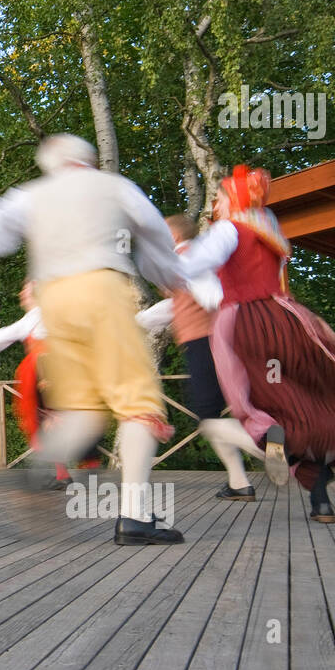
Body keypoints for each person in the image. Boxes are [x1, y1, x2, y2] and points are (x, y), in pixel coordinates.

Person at [0, 134, 187, 545]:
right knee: (138, 404)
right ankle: (135, 516)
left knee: (81, 407)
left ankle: (46, 461)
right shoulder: (113, 186)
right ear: (88, 160)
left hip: (54, 299)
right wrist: (173, 280)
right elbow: (153, 236)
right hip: (103, 288)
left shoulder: (34, 194)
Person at [178, 165, 335, 524]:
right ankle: (323, 491)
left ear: (233, 200)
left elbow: (196, 266)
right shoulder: (270, 231)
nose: (217, 204)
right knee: (311, 401)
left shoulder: (229, 230)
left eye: (222, 196)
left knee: (250, 399)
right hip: (291, 320)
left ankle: (269, 438)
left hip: (246, 321)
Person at [134, 214, 264, 500]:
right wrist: (139, 320)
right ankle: (239, 482)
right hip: (211, 341)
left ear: (176, 236)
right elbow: (176, 306)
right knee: (212, 417)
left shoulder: (188, 260)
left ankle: (267, 447)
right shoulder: (188, 263)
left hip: (206, 342)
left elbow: (210, 295)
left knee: (208, 418)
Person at [0, 281, 75, 488]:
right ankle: (62, 472)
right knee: (49, 419)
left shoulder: (36, 315)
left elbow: (8, 333)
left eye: (26, 290)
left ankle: (59, 468)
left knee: (43, 419)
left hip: (45, 372)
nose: (22, 293)